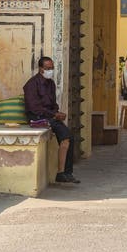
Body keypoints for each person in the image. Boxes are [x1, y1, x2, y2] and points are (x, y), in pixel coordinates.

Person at [23, 56, 80, 184]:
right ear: (41, 69)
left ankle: (65, 173)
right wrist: (54, 114)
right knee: (65, 134)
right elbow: (34, 107)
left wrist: (57, 113)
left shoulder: (51, 84)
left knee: (68, 137)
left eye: (52, 68)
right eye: (48, 68)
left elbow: (53, 103)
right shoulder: (32, 84)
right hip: (37, 117)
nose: (51, 71)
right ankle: (62, 173)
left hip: (50, 116)